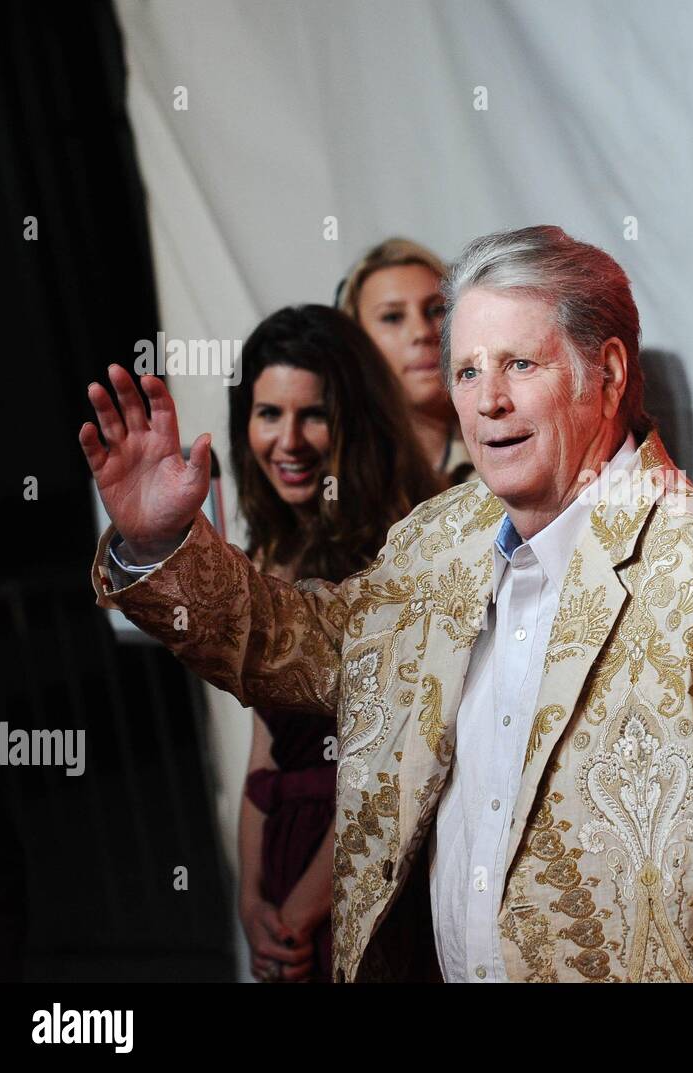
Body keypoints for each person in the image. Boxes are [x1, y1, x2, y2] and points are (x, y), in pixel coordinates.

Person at [82, 225, 693, 983]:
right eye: (468, 370)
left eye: (520, 365)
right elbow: (301, 648)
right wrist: (163, 544)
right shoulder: (435, 541)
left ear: (607, 373)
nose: (487, 401)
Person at [228, 305, 437, 982]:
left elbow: (395, 770)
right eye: (267, 414)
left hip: (366, 877)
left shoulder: (399, 548)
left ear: (356, 418)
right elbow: (265, 754)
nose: (288, 440)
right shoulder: (266, 548)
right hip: (285, 866)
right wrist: (250, 897)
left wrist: (299, 913)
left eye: (312, 414)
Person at [337, 237, 475, 484]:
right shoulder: (337, 472)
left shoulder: (508, 451)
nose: (422, 332)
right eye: (392, 317)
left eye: (436, 310)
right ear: (357, 340)